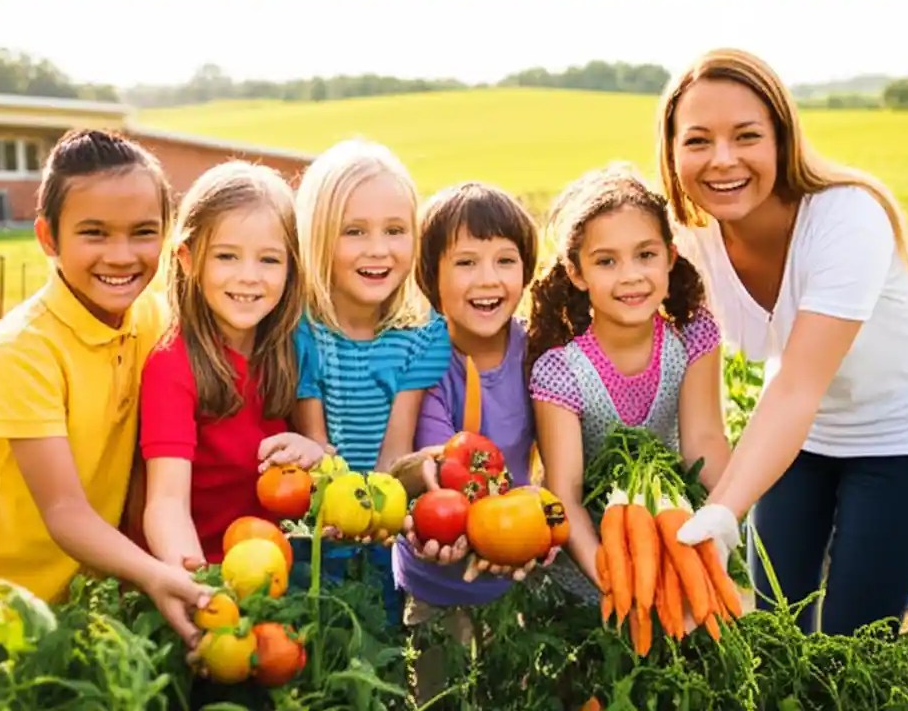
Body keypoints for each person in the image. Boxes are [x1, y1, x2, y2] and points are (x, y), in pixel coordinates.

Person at [658, 48, 908, 637]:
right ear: (672, 151)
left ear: (782, 140)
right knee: (775, 627)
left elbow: (800, 383)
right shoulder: (690, 242)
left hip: (896, 438)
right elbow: (692, 393)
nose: (723, 161)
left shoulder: (846, 218)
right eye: (697, 140)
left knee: (857, 640)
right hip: (798, 436)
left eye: (746, 136)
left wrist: (725, 510)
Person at [0, 129, 212, 647]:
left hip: (89, 608)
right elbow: (63, 510)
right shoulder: (22, 350)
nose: (121, 255)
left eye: (142, 232)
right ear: (48, 238)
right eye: (94, 233)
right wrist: (153, 575)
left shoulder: (154, 318)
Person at [527, 163, 731, 605]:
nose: (631, 275)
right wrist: (614, 582)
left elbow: (704, 441)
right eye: (606, 261)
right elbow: (566, 495)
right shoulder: (561, 372)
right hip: (585, 581)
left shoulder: (692, 339)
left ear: (670, 257)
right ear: (577, 273)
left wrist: (724, 521)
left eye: (646, 254)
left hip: (678, 561)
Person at [390, 181, 542, 703]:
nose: (488, 279)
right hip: (435, 580)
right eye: (466, 262)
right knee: (440, 696)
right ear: (429, 275)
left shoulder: (535, 351)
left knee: (511, 693)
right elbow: (443, 473)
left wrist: (537, 525)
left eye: (505, 260)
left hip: (517, 575)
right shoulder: (426, 360)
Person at [291, 138, 452, 625]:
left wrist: (379, 513)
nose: (378, 250)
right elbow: (314, 445)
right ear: (319, 237)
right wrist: (339, 513)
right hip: (311, 540)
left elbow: (395, 451)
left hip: (383, 537)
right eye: (354, 232)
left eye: (395, 230)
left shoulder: (422, 335)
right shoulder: (300, 329)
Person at [139, 161, 327, 571]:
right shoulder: (173, 367)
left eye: (269, 260)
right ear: (188, 260)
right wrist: (199, 584)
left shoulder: (290, 350)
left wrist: (313, 454)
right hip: (204, 573)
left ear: (292, 267)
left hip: (277, 575)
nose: (248, 277)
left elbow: (324, 456)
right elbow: (166, 504)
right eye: (226, 256)